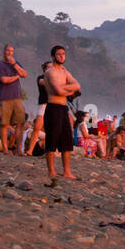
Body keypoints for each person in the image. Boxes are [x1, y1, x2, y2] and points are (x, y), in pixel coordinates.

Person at [42, 45, 80, 182]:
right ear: (53, 56)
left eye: (63, 54)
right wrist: (68, 90)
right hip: (53, 107)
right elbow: (58, 91)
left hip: (63, 108)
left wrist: (65, 89)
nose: (62, 56)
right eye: (59, 54)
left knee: (66, 139)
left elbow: (77, 85)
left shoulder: (64, 71)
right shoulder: (50, 72)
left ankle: (67, 171)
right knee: (52, 138)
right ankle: (51, 170)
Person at [0, 44, 28, 154]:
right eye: (8, 50)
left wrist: (15, 65)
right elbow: (4, 80)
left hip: (17, 97)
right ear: (4, 51)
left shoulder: (16, 63)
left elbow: (25, 74)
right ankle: (5, 149)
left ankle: (18, 149)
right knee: (4, 124)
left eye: (11, 51)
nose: (9, 53)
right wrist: (17, 76)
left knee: (20, 123)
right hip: (4, 97)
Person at [26, 61, 50, 156]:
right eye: (48, 67)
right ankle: (30, 150)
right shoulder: (41, 77)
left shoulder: (56, 78)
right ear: (44, 69)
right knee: (37, 127)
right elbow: (43, 83)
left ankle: (51, 151)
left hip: (53, 104)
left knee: (53, 128)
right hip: (43, 104)